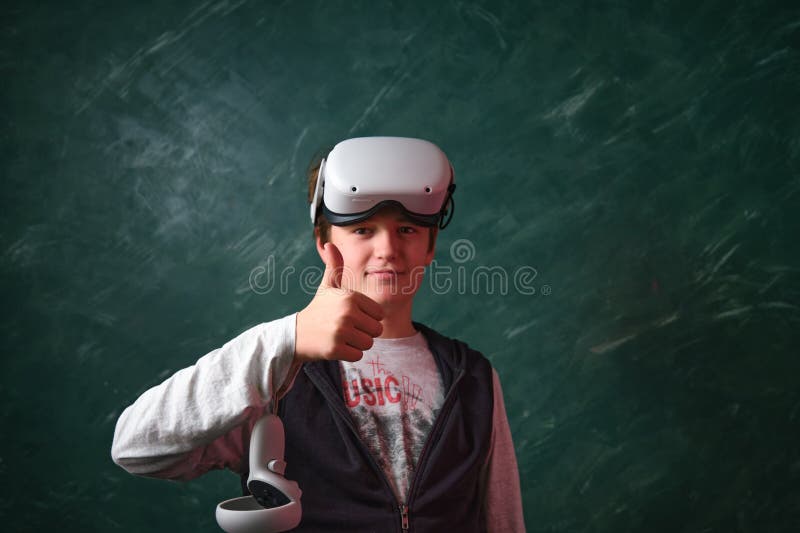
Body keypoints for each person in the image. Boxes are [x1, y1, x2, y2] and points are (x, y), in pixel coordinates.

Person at [111, 136, 525, 532]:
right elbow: (135, 447)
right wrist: (285, 339)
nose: (387, 250)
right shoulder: (272, 372)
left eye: (408, 230)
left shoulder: (472, 377)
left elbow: (503, 522)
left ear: (431, 246)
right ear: (324, 243)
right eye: (363, 230)